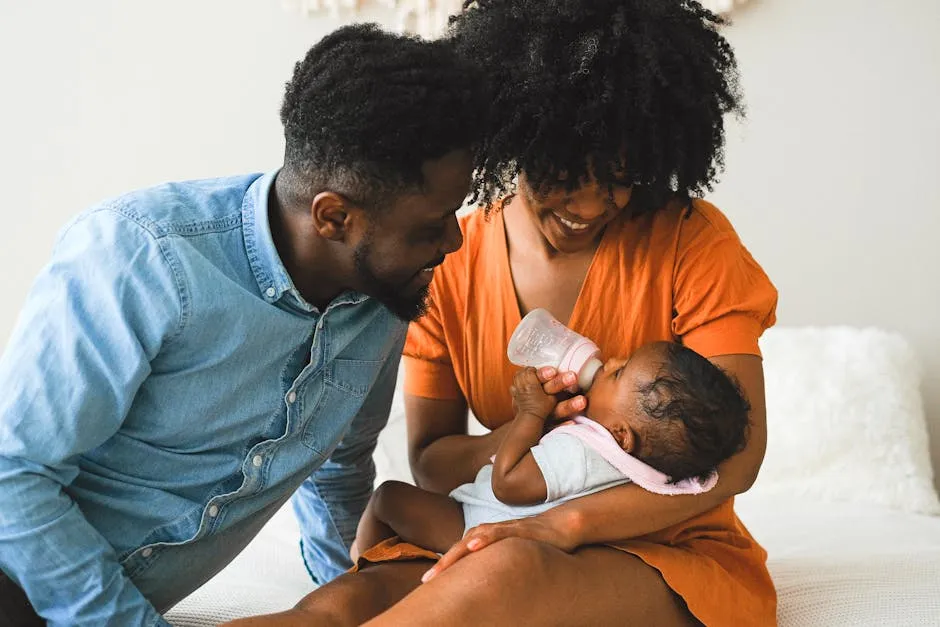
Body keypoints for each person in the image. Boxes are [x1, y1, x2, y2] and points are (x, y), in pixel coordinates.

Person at [230, 0, 779, 625]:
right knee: (335, 607)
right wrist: (524, 430)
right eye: (566, 173)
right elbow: (433, 463)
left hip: (665, 544)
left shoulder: (690, 241)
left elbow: (739, 457)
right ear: (515, 138)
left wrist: (560, 524)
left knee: (507, 570)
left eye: (621, 177)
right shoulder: (447, 263)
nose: (594, 204)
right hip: (497, 522)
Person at [0, 24, 485, 626]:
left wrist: (366, 598)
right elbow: (13, 473)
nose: (454, 240)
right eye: (430, 225)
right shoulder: (141, 257)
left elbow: (338, 467)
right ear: (335, 216)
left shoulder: (382, 298)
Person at [352, 341, 751, 559]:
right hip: (534, 550)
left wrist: (529, 414)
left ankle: (357, 566)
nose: (609, 359)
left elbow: (507, 485)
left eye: (618, 372)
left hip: (475, 521)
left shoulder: (581, 453)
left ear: (621, 434)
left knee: (388, 498)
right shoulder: (644, 467)